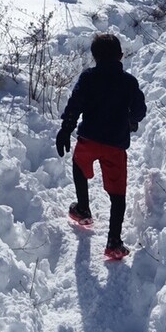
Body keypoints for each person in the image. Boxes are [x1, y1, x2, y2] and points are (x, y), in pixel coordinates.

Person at [56, 32, 146, 261]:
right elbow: (139, 111)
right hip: (115, 146)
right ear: (120, 55)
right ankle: (113, 241)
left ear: (95, 57)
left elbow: (75, 104)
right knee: (118, 195)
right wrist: (131, 121)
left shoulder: (88, 78)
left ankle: (83, 208)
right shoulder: (128, 82)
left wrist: (66, 128)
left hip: (89, 140)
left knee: (79, 166)